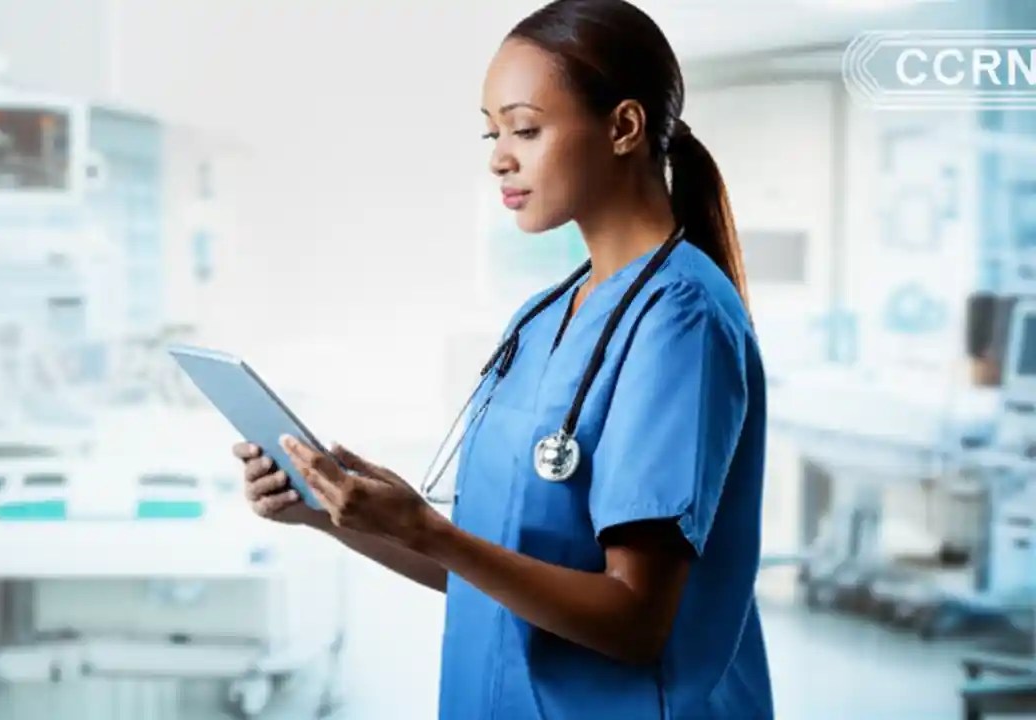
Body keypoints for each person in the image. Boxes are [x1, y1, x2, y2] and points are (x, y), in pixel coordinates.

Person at [231, 0, 773, 717]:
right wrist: (329, 512)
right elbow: (485, 571)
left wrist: (425, 527)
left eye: (525, 128)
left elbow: (636, 621)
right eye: (493, 133)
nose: (498, 158)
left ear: (624, 127)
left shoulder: (681, 318)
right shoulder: (543, 317)